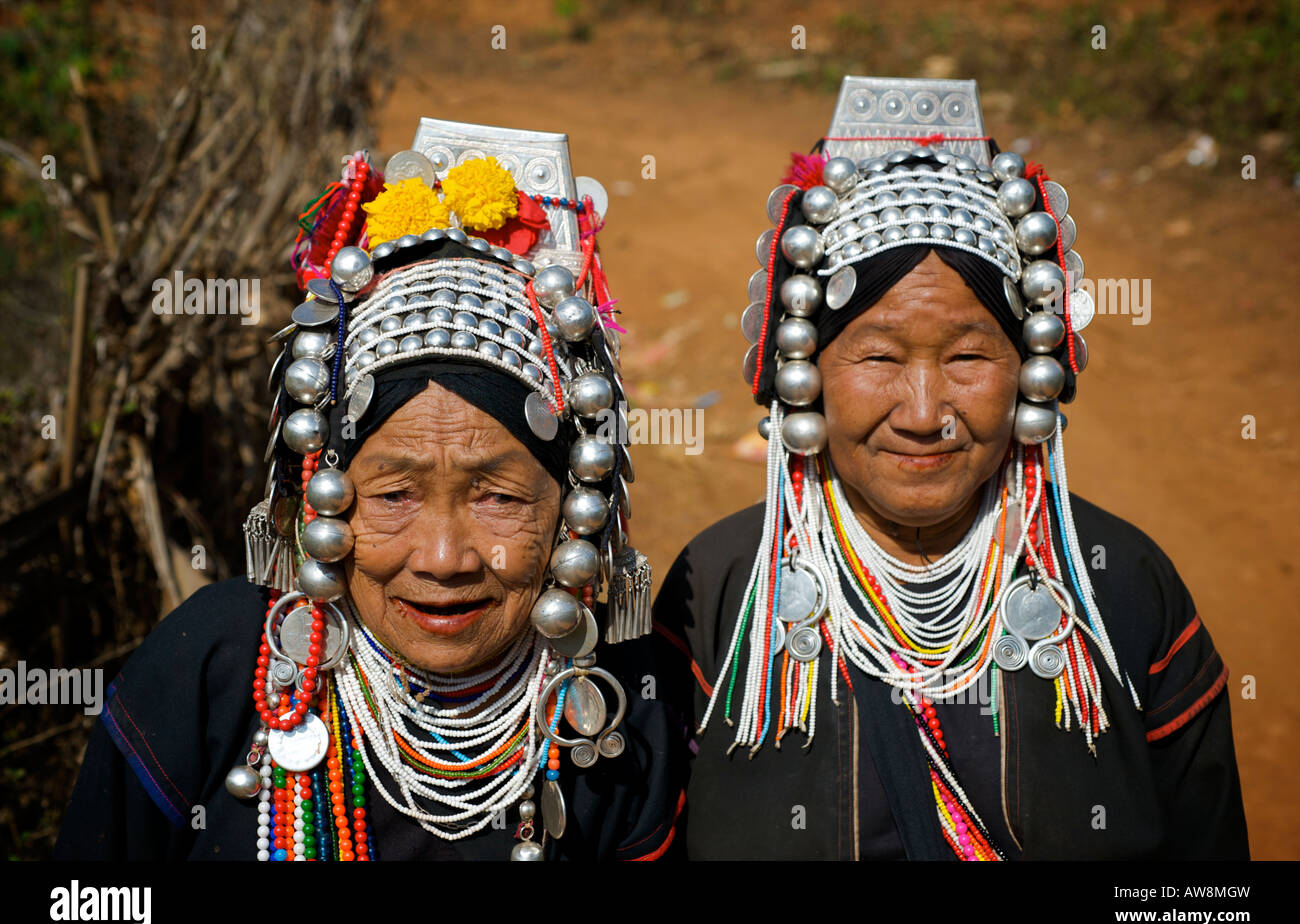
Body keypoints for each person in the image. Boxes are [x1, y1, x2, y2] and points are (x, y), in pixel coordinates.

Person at [653, 76, 1249, 860]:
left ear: (1030, 366)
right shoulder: (724, 594)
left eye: (969, 355)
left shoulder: (1121, 590)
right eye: (879, 356)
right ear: (808, 367)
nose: (925, 412)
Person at [56, 119, 683, 861]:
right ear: (321, 487)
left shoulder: (614, 715)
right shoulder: (217, 668)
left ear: (574, 511)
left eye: (499, 498)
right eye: (394, 495)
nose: (444, 558)